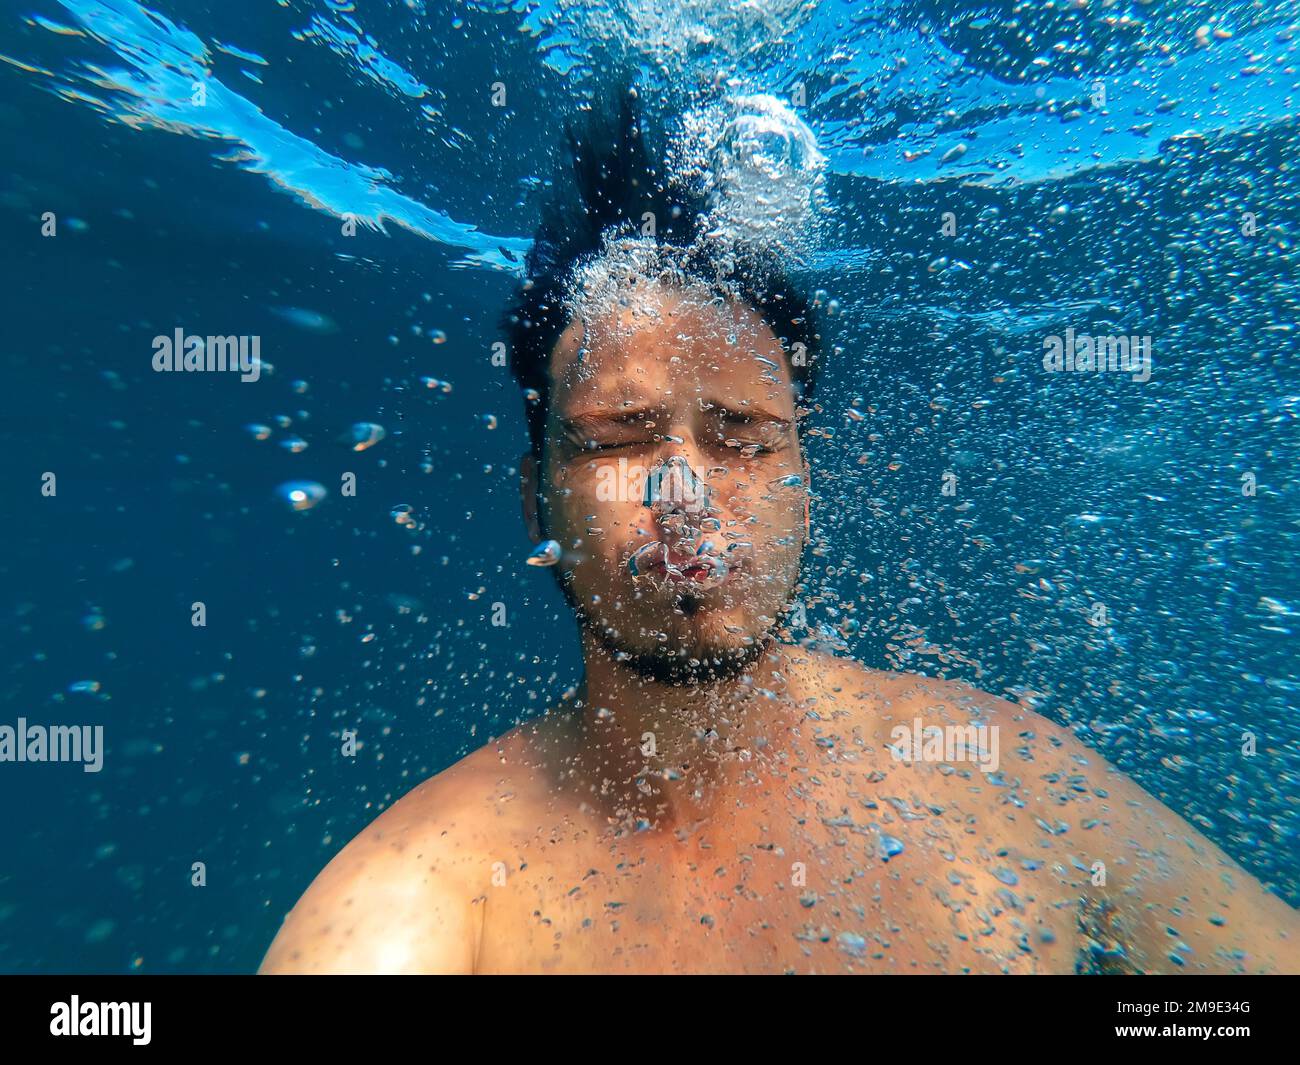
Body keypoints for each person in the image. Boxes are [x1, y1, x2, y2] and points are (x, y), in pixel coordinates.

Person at [259, 89, 1299, 975]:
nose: (684, 493)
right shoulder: (427, 898)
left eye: (742, 438)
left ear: (806, 481)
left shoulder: (1009, 777)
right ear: (536, 498)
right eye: (620, 436)